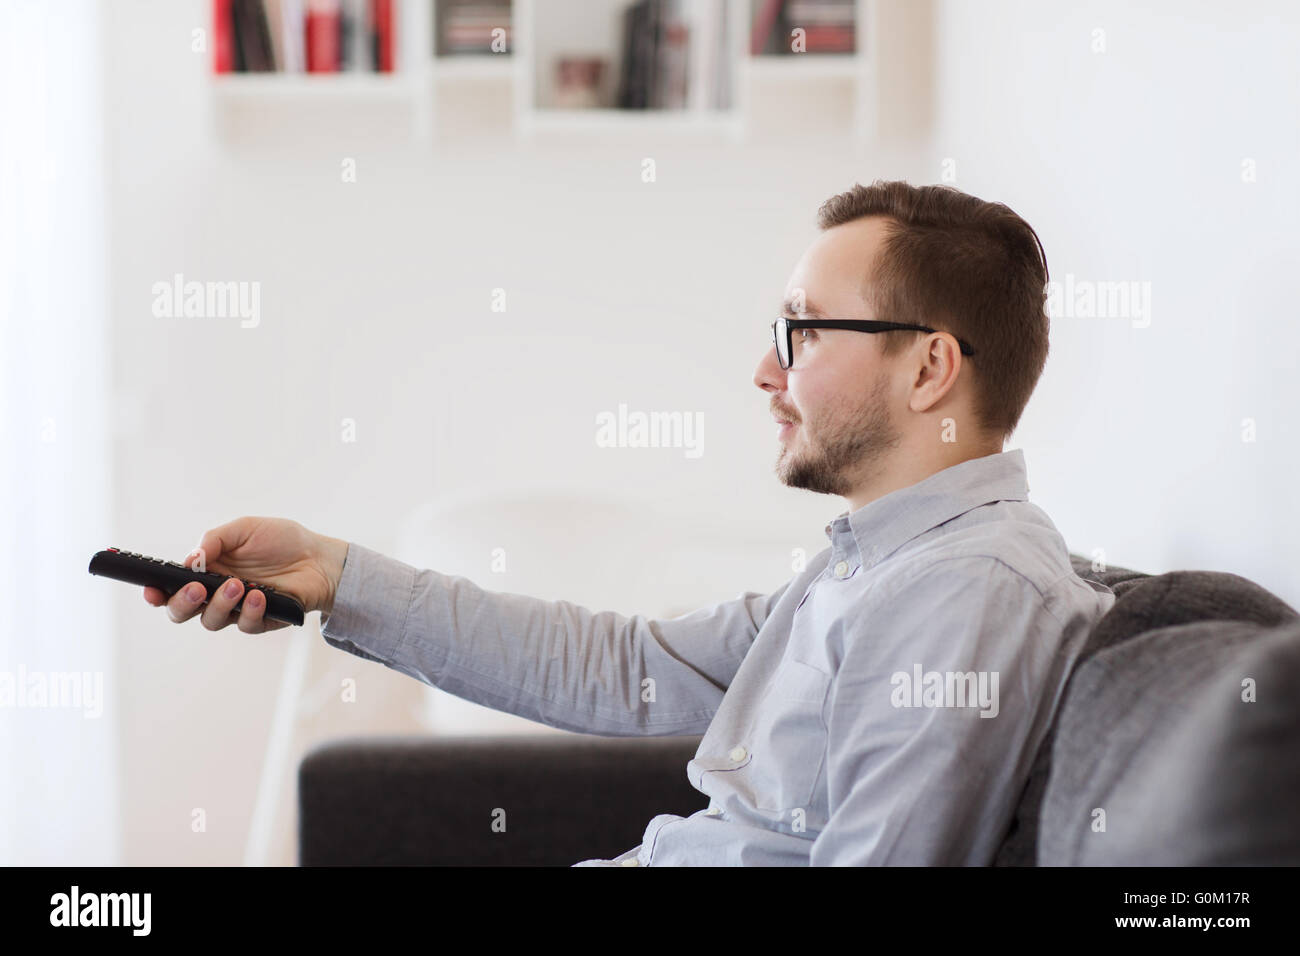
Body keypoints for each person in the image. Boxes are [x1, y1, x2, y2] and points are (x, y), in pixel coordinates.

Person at [144, 180, 1115, 866]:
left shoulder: (966, 593)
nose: (765, 371)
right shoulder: (880, 563)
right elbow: (624, 663)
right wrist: (334, 571)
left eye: (801, 330)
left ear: (930, 368)